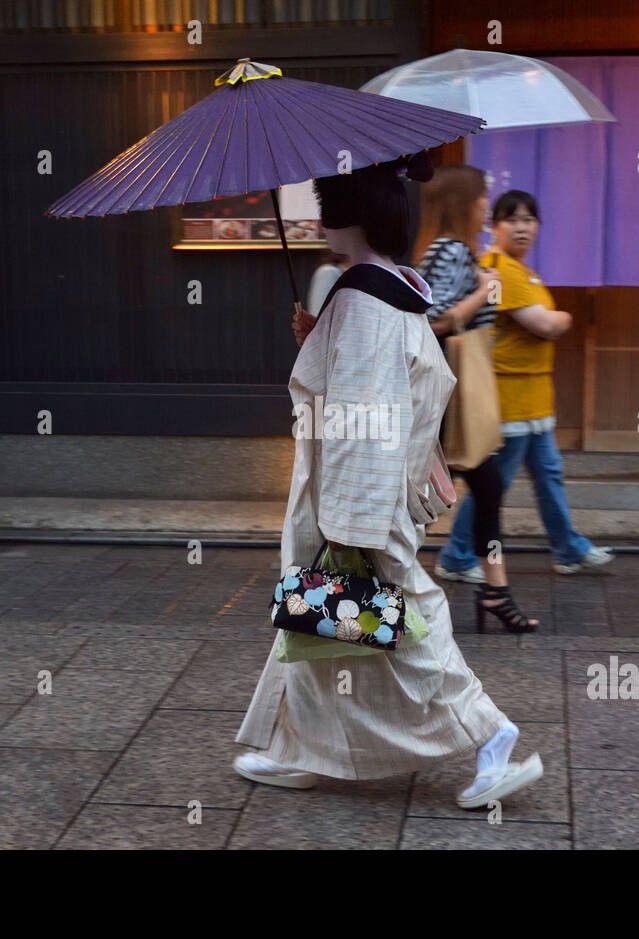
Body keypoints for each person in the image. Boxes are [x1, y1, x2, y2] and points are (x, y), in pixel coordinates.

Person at [233, 153, 543, 809]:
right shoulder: (393, 289)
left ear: (347, 214)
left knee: (395, 621)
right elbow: (398, 386)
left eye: (327, 206)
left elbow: (363, 415)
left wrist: (355, 524)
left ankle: (492, 737)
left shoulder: (359, 299)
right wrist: (319, 342)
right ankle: (296, 746)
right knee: (316, 617)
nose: (319, 220)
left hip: (351, 497)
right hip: (365, 489)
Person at [439, 189, 613, 576]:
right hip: (507, 401)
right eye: (512, 220)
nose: (522, 228)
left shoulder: (525, 272)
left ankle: (568, 548)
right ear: (494, 226)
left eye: (529, 220)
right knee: (492, 485)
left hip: (535, 400)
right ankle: (457, 555)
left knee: (548, 476)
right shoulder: (497, 268)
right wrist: (565, 318)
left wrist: (557, 320)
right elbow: (545, 325)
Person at [414, 164, 539, 632]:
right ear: (463, 202)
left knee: (483, 489)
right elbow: (432, 319)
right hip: (450, 395)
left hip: (461, 391)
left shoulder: (458, 251)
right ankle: (486, 592)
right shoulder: (447, 250)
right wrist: (482, 291)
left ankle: (494, 592)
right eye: (483, 198)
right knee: (432, 496)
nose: (488, 206)